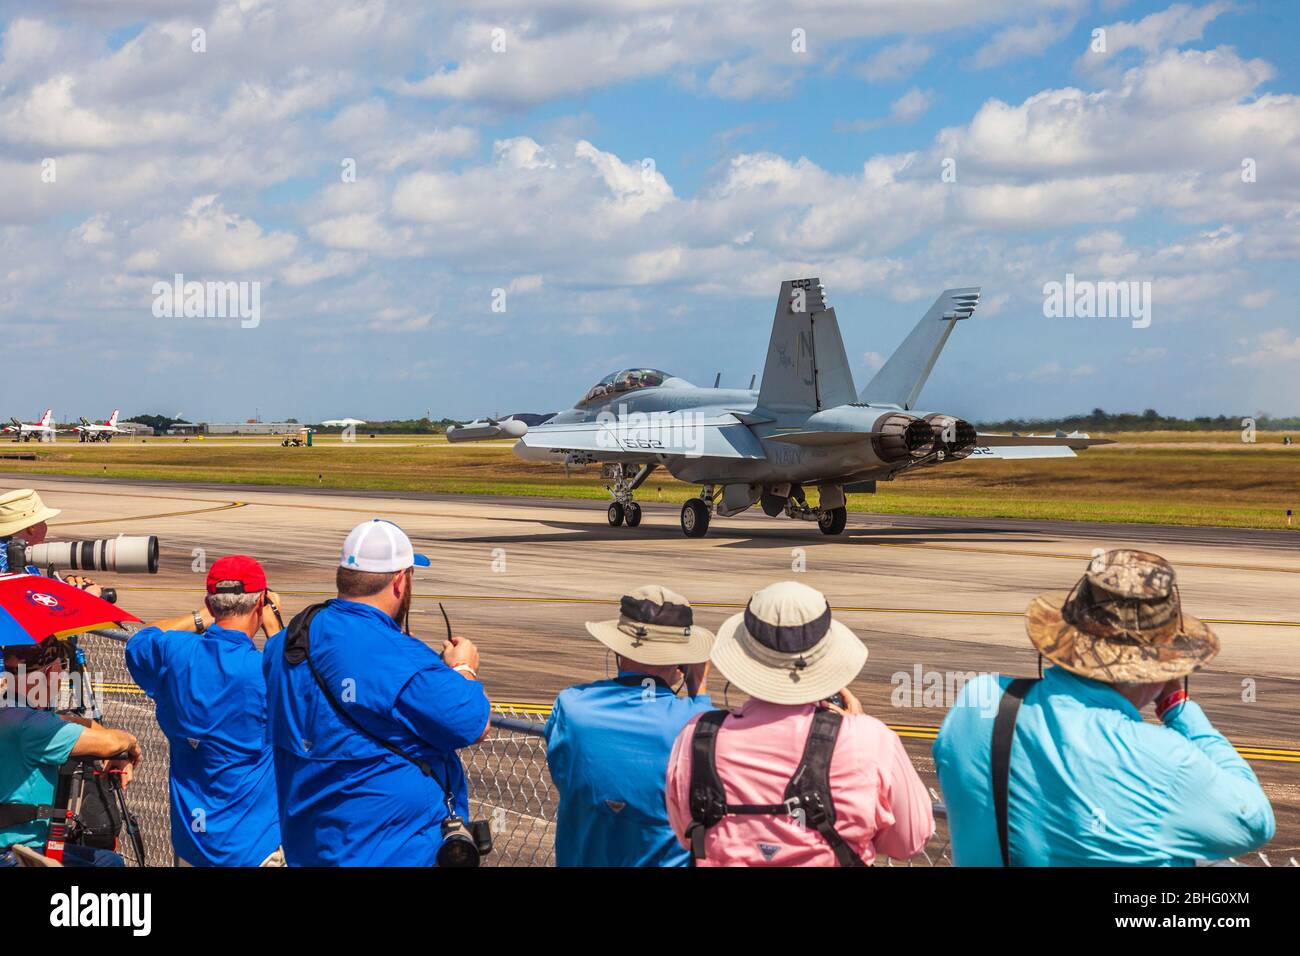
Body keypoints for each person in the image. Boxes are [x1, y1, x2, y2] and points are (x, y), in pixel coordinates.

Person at [933, 549, 1276, 866]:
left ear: (1067, 637)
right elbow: (1254, 821)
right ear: (1163, 666)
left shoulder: (978, 704)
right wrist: (1178, 706)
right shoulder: (1164, 758)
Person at [263, 519, 491, 866]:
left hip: (311, 849)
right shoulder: (399, 655)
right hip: (389, 852)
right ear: (400, 580)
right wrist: (463, 668)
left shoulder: (285, 643)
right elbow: (472, 722)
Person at [665, 581, 935, 866]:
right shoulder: (870, 739)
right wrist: (854, 729)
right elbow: (910, 841)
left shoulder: (697, 737)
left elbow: (686, 834)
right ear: (827, 652)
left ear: (745, 654)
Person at [124, 555, 284, 867]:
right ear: (260, 602)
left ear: (210, 605)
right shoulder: (262, 670)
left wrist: (202, 617)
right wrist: (274, 623)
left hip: (192, 844)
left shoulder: (177, 654)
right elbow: (297, 680)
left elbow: (140, 641)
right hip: (253, 848)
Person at [545, 585, 716, 867]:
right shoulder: (697, 721)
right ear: (683, 660)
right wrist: (699, 688)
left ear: (616, 646)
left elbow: (563, 773)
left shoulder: (572, 706)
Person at [0, 639, 142, 867]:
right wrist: (131, 743)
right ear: (50, 672)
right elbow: (109, 742)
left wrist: (116, 748)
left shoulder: (12, 710)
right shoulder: (32, 726)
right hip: (14, 853)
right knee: (109, 864)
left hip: (16, 845)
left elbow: (68, 721)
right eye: (62, 670)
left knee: (107, 861)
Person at [0, 489, 98, 594]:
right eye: (43, 522)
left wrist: (62, 585)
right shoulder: (16, 560)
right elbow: (34, 602)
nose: (45, 527)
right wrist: (84, 596)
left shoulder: (10, 553)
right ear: (32, 528)